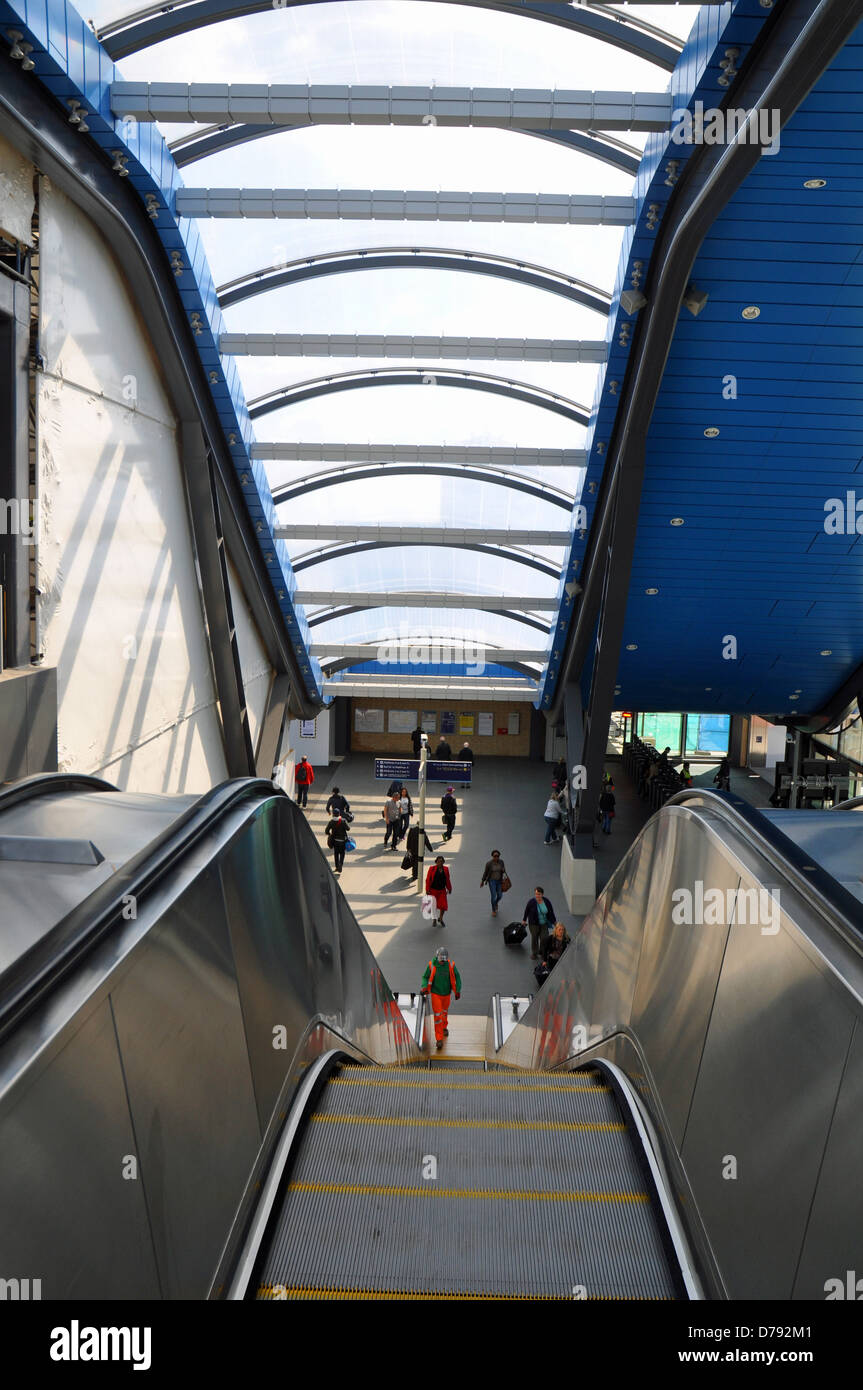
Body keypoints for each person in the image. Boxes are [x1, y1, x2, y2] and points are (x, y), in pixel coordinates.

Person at [421, 946, 461, 1050]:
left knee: (444, 1012)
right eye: (440, 960)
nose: (442, 962)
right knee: (438, 1016)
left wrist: (457, 990)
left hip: (447, 994)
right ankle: (439, 1039)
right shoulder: (431, 965)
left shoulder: (451, 965)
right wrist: (424, 986)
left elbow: (457, 977)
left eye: (444, 960)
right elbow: (425, 977)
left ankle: (444, 1027)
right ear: (437, 957)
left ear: (446, 958)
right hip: (436, 994)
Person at [522, 886, 555, 960]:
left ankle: (542, 951)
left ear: (542, 894)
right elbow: (526, 911)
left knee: (544, 938)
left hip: (544, 924)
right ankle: (534, 953)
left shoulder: (546, 901)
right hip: (534, 924)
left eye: (539, 894)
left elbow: (551, 912)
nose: (537, 896)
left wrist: (554, 922)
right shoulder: (531, 902)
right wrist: (524, 920)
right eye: (536, 894)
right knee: (534, 938)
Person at [535, 922, 571, 986]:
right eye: (559, 930)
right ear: (556, 930)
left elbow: (570, 947)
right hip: (552, 959)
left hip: (562, 959)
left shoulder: (566, 939)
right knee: (552, 973)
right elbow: (545, 950)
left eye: (562, 930)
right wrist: (545, 960)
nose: (561, 931)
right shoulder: (551, 938)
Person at [425, 855, 452, 927]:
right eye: (438, 861)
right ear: (436, 862)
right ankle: (434, 920)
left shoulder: (446, 869)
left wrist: (449, 888)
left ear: (443, 862)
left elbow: (447, 880)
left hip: (442, 890)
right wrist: (427, 890)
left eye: (441, 861)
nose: (440, 863)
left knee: (443, 906)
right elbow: (428, 880)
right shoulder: (432, 869)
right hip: (433, 890)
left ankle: (440, 918)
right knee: (433, 906)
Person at [480, 849, 508, 917]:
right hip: (492, 881)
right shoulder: (489, 864)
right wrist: (482, 881)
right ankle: (493, 910)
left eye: (497, 856)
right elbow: (485, 873)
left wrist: (503, 870)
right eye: (495, 856)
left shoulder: (501, 862)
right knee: (493, 896)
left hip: (499, 881)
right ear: (492, 856)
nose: (496, 857)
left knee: (500, 895)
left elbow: (504, 871)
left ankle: (495, 903)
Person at [324, 809, 349, 875]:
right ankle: (341, 864)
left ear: (333, 814)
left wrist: (330, 835)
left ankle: (337, 867)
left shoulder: (331, 822)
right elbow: (348, 828)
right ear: (339, 814)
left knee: (336, 854)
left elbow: (326, 831)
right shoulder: (343, 821)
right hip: (343, 841)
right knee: (342, 853)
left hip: (335, 841)